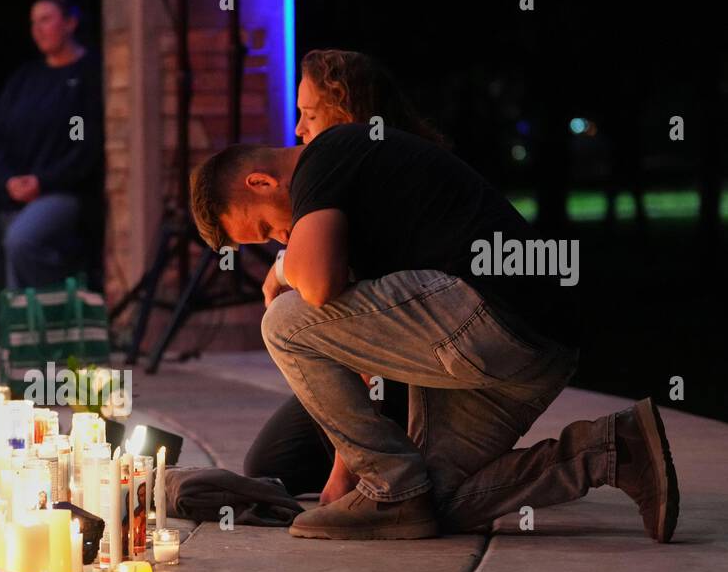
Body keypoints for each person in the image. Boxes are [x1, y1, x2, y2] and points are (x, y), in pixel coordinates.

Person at [189, 127, 679, 542]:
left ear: (260, 180)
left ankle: (390, 485)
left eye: (267, 227)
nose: (281, 237)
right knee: (428, 503)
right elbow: (356, 342)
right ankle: (615, 448)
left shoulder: (326, 156)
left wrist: (280, 270)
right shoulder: (342, 211)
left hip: (488, 312)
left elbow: (314, 284)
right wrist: (346, 475)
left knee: (282, 320)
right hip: (529, 351)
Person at [247, 50, 440, 501]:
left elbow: (342, 308)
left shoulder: (384, 179)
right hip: (379, 354)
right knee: (271, 464)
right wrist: (281, 265)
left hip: (414, 360)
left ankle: (398, 467)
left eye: (309, 114)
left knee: (292, 317)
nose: (298, 129)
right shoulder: (333, 178)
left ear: (351, 113)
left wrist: (343, 472)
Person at [0, 0, 103, 289]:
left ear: (70, 23)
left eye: (46, 20)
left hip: (66, 193)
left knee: (21, 241)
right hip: (17, 194)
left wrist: (44, 181)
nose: (38, 29)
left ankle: (68, 298)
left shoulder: (90, 73)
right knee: (11, 262)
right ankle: (29, 330)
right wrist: (9, 179)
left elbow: (88, 145)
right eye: (33, 22)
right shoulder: (26, 78)